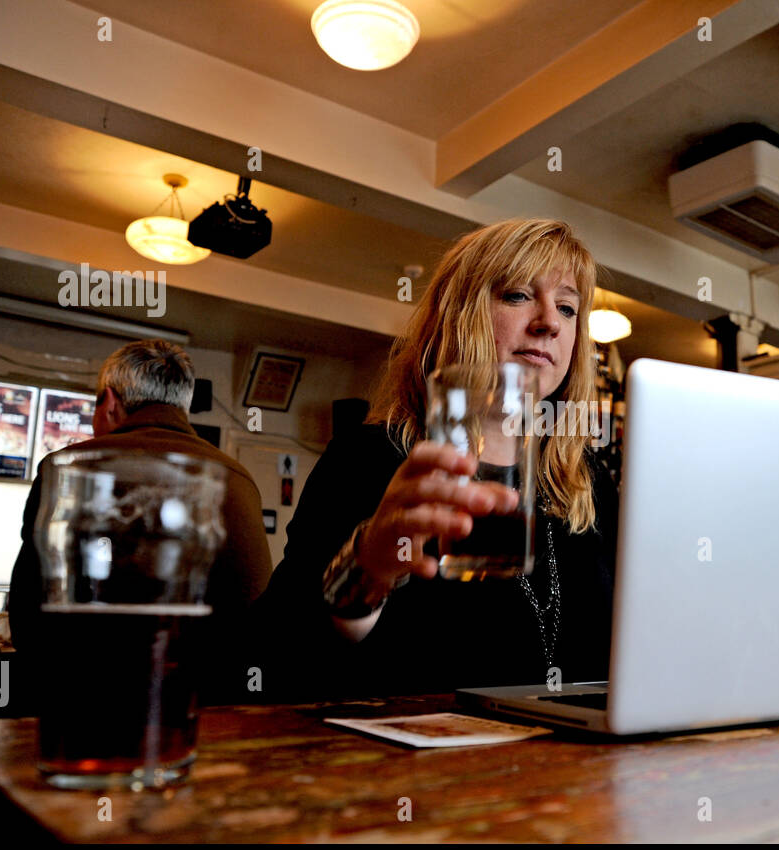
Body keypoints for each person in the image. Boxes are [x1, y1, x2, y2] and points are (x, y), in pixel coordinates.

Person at [261, 219, 618, 699]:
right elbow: (280, 642)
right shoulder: (369, 458)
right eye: (516, 295)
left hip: (574, 763)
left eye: (569, 307)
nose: (550, 322)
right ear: (459, 314)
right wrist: (367, 565)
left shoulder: (589, 485)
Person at [9, 339, 273, 700]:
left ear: (112, 402)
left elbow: (29, 617)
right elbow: (254, 618)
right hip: (217, 704)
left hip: (87, 701)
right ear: (182, 404)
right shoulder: (238, 476)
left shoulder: (67, 467)